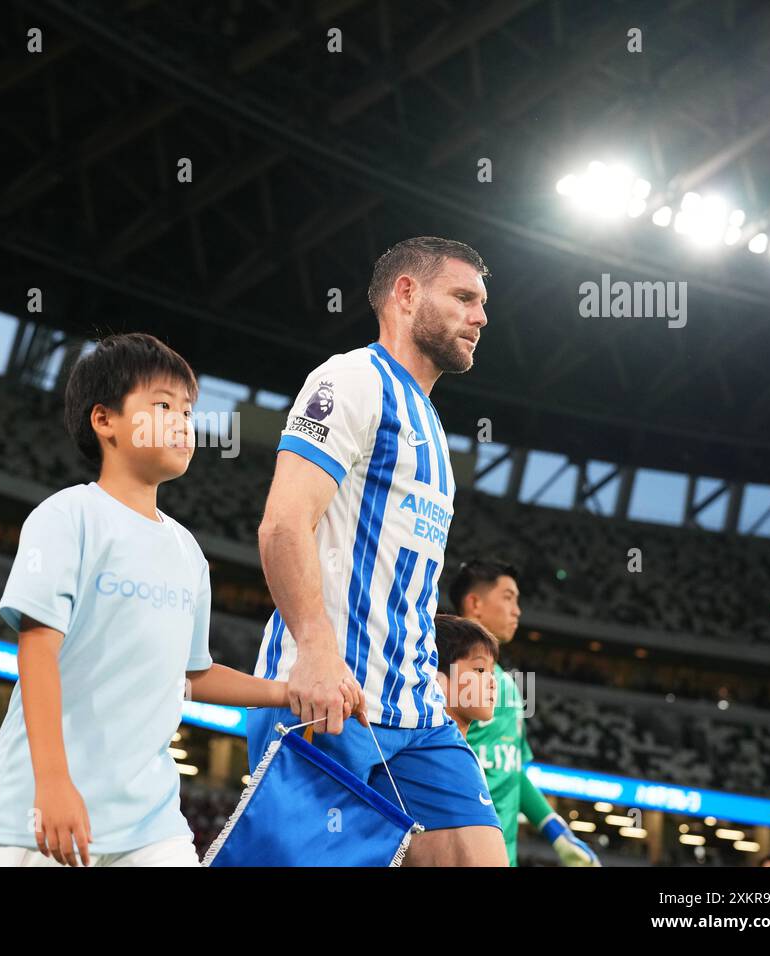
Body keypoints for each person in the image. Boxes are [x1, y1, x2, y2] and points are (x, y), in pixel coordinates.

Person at [0, 333, 290, 867]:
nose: (182, 422)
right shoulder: (66, 516)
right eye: (162, 406)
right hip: (39, 814)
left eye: (188, 411)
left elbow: (192, 675)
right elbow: (36, 651)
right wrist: (52, 783)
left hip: (152, 823)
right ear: (105, 421)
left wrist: (288, 693)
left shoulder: (188, 551)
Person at [248, 236, 506, 866]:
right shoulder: (351, 379)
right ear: (407, 293)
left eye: (483, 303)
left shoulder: (436, 430)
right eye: (464, 298)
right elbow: (283, 523)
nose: (482, 316)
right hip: (331, 695)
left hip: (418, 708)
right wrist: (313, 650)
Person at [452, 558, 599, 867]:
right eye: (508, 598)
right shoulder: (446, 677)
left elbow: (510, 770)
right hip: (457, 851)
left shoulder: (508, 685)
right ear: (474, 603)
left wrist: (556, 830)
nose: (517, 610)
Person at [433, 614, 498, 736]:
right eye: (480, 670)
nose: (493, 683)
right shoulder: (439, 752)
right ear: (438, 681)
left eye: (492, 673)